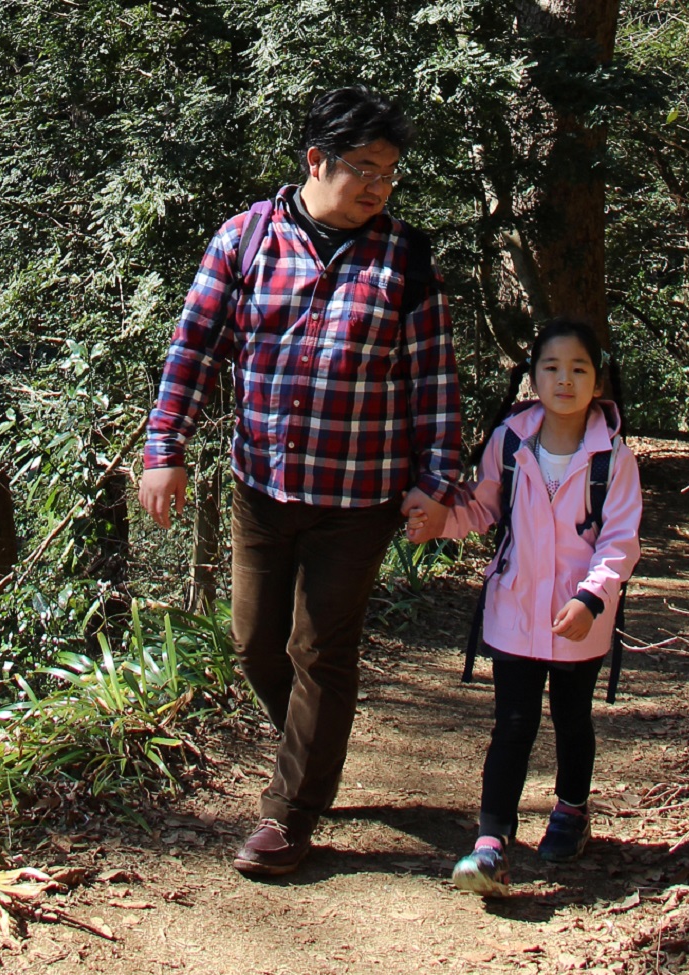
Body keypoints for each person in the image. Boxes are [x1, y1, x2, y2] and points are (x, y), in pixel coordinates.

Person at [139, 86, 463, 877]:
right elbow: (196, 348)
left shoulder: (405, 260)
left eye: (389, 171)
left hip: (359, 499)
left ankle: (291, 813)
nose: (378, 186)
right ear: (315, 160)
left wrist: (437, 482)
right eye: (363, 168)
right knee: (256, 643)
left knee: (323, 649)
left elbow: (433, 385)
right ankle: (312, 756)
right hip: (261, 486)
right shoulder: (246, 239)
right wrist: (164, 447)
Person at [406, 320, 641, 896]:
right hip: (513, 610)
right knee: (512, 723)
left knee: (571, 718)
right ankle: (491, 842)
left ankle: (570, 811)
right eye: (552, 368)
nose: (565, 380)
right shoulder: (510, 441)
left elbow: (620, 542)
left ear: (597, 379)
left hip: (578, 619)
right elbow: (483, 509)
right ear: (532, 376)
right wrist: (438, 521)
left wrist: (591, 598)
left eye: (579, 369)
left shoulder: (613, 455)